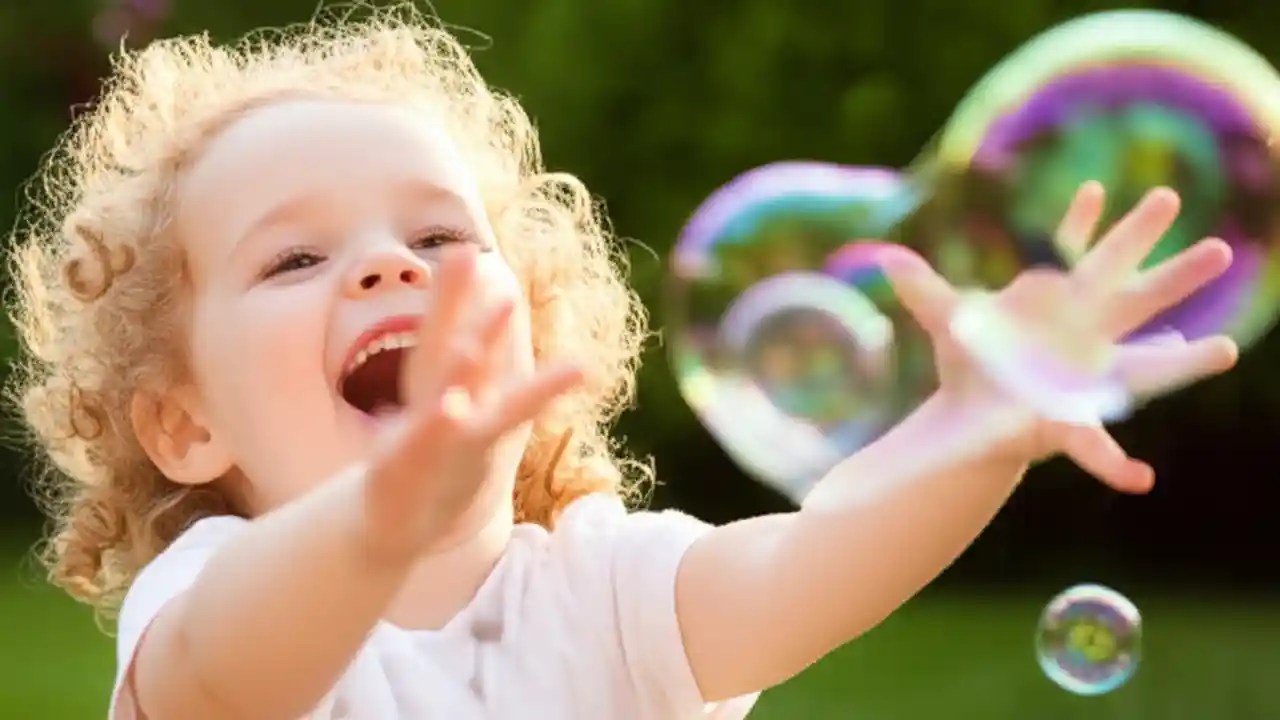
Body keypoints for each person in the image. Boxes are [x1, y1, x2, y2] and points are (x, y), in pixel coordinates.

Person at [6, 4, 1238, 719]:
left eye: (436, 235)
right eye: (293, 262)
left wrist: (975, 428)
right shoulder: (214, 593)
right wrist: (379, 517)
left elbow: (812, 562)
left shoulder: (603, 588)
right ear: (184, 427)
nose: (390, 268)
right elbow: (225, 679)